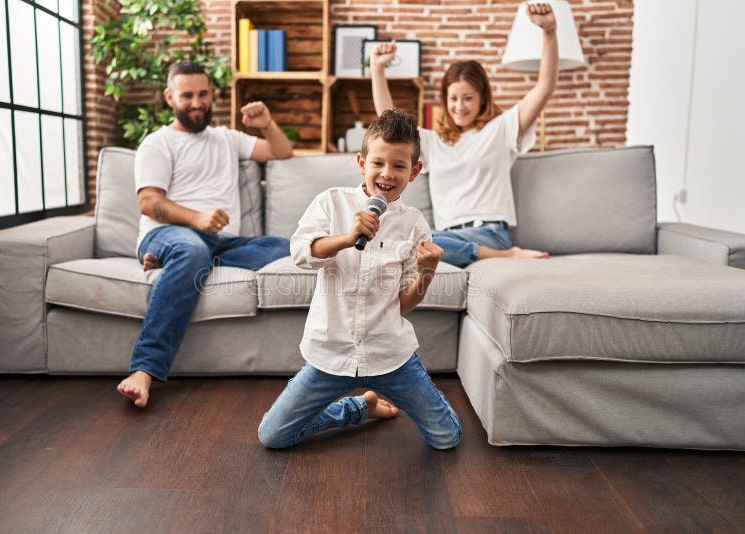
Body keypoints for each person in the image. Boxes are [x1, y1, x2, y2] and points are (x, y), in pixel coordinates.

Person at [258, 109, 462, 450]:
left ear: (414, 172)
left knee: (447, 439)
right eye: (378, 163)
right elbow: (301, 253)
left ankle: (422, 397)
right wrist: (346, 236)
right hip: (331, 354)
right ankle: (358, 408)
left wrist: (426, 274)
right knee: (273, 435)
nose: (386, 174)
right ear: (361, 163)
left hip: (390, 355)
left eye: (399, 166)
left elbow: (404, 305)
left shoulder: (414, 224)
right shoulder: (331, 202)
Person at [117, 60, 294, 408]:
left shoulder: (227, 138)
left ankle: (175, 266)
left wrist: (266, 124)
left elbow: (280, 152)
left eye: (202, 94)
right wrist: (196, 219)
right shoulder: (158, 143)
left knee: (288, 247)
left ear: (211, 94)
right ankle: (144, 370)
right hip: (167, 233)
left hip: (221, 244)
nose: (196, 102)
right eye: (187, 95)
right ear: (170, 97)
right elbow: (148, 201)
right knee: (189, 250)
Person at [370, 2, 557, 268]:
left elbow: (545, 86)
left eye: (468, 98)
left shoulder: (501, 129)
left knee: (413, 239)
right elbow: (389, 122)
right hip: (447, 236)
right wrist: (377, 69)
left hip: (490, 233)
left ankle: (506, 255)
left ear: (482, 98)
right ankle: (478, 254)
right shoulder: (433, 143)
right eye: (453, 98)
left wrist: (549, 32)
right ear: (444, 100)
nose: (459, 106)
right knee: (400, 235)